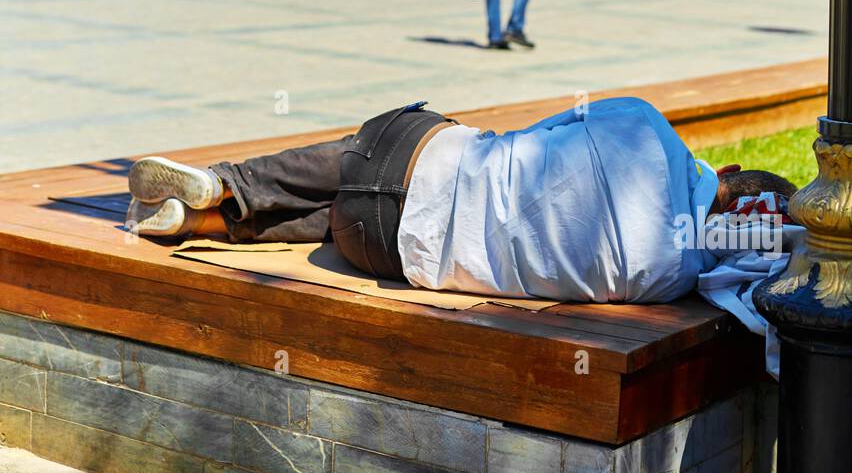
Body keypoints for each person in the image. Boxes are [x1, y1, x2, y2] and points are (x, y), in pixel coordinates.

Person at [124, 95, 797, 323]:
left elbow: (537, 137)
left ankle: (219, 186)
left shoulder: (645, 124)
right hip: (387, 251)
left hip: (402, 157)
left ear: (729, 171)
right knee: (349, 214)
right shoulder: (670, 277)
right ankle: (204, 221)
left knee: (412, 150)